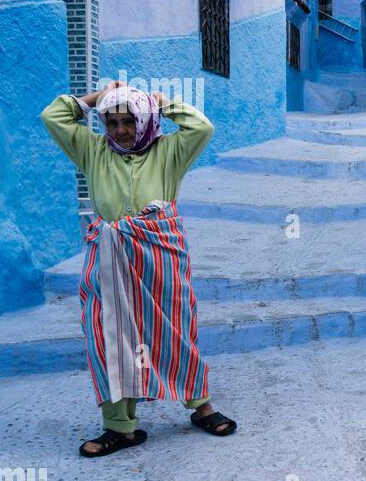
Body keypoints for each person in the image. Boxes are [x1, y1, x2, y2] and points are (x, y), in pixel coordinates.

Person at [40, 80, 238, 457]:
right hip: (109, 257)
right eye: (111, 122)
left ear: (145, 118)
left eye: (129, 120)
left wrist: (162, 101)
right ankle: (120, 427)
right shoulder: (93, 151)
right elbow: (53, 116)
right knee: (109, 336)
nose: (120, 131)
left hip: (160, 254)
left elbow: (202, 127)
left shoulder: (170, 151)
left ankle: (201, 406)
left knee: (175, 329)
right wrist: (94, 99)